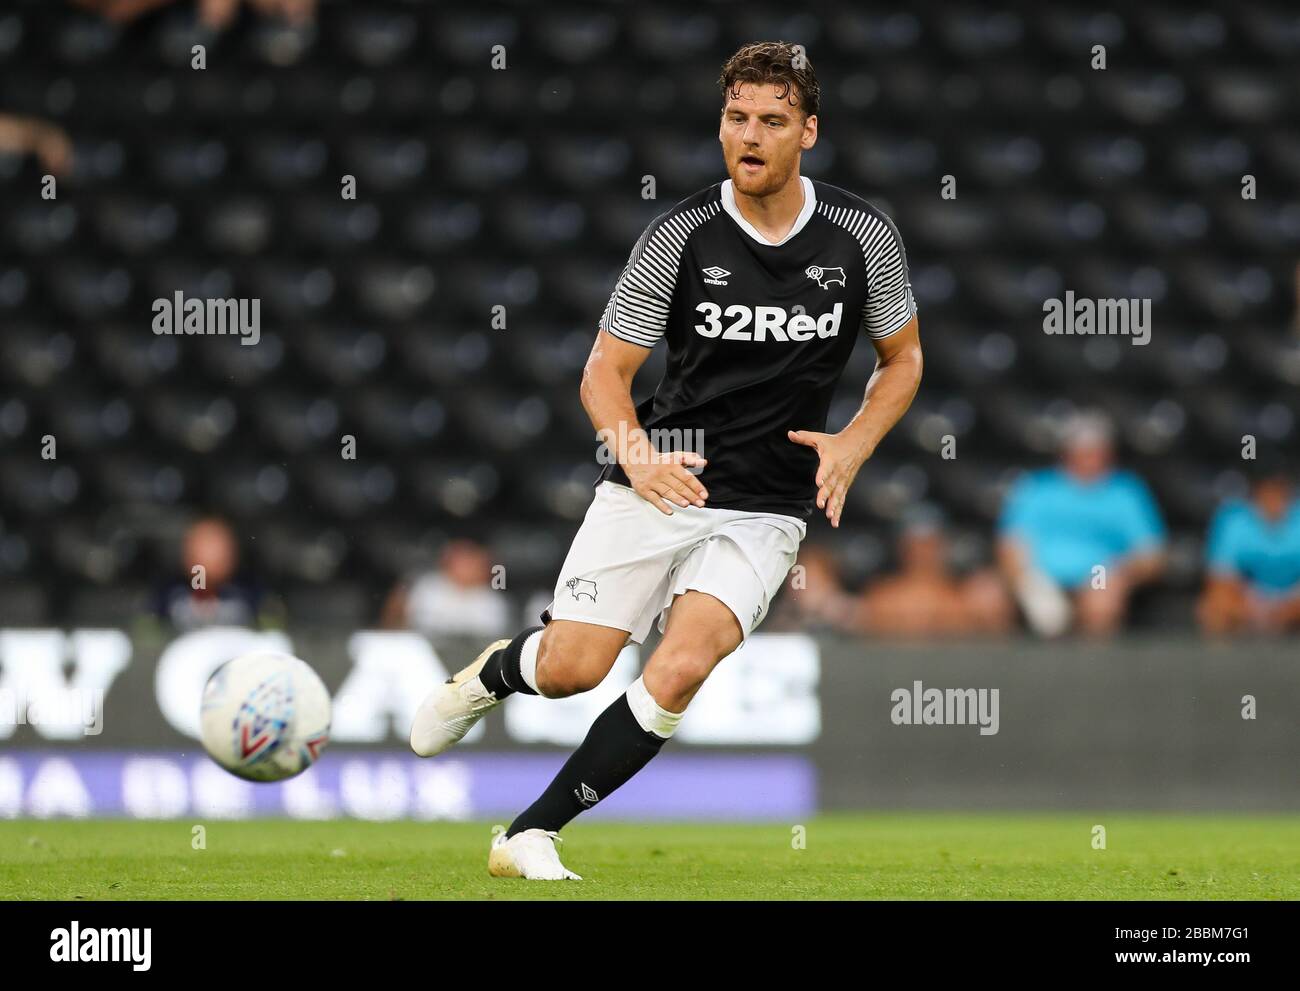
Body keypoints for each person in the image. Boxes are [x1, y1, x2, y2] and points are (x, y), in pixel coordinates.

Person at [409, 42, 923, 880]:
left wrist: (855, 442)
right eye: (736, 118)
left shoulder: (861, 235)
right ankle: (490, 676)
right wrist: (639, 458)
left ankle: (529, 833)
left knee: (679, 667)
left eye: (772, 121)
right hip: (661, 481)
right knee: (574, 667)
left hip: (767, 502)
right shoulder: (679, 233)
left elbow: (903, 359)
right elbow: (604, 373)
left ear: (809, 132)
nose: (749, 137)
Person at [997, 411, 1166, 637]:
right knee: (987, 597)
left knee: (1101, 600)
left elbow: (1151, 554)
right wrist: (1030, 586)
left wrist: (1118, 574)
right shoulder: (1037, 488)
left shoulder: (1126, 492)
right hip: (1041, 577)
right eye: (1083, 451)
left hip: (1098, 573)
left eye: (1097, 451)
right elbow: (1011, 544)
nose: (1091, 458)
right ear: (1067, 453)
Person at [850, 506, 1013, 638]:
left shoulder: (967, 598)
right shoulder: (881, 598)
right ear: (902, 547)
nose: (923, 552)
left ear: (944, 545)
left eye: (930, 544)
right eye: (916, 544)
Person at [1197, 457, 1300, 635]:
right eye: (1266, 490)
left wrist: (1284, 612)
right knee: (1212, 609)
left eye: (1278, 490)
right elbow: (1219, 579)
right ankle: (1223, 661)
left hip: (1293, 597)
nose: (1273, 498)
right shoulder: (1233, 519)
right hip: (1250, 597)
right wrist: (1253, 609)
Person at [155, 516, 270, 630]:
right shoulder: (168, 597)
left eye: (216, 547)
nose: (209, 554)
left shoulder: (250, 596)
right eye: (202, 545)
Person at [381, 539, 511, 639]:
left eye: (472, 562)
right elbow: (396, 624)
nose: (466, 568)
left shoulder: (493, 601)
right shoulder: (427, 587)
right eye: (461, 561)